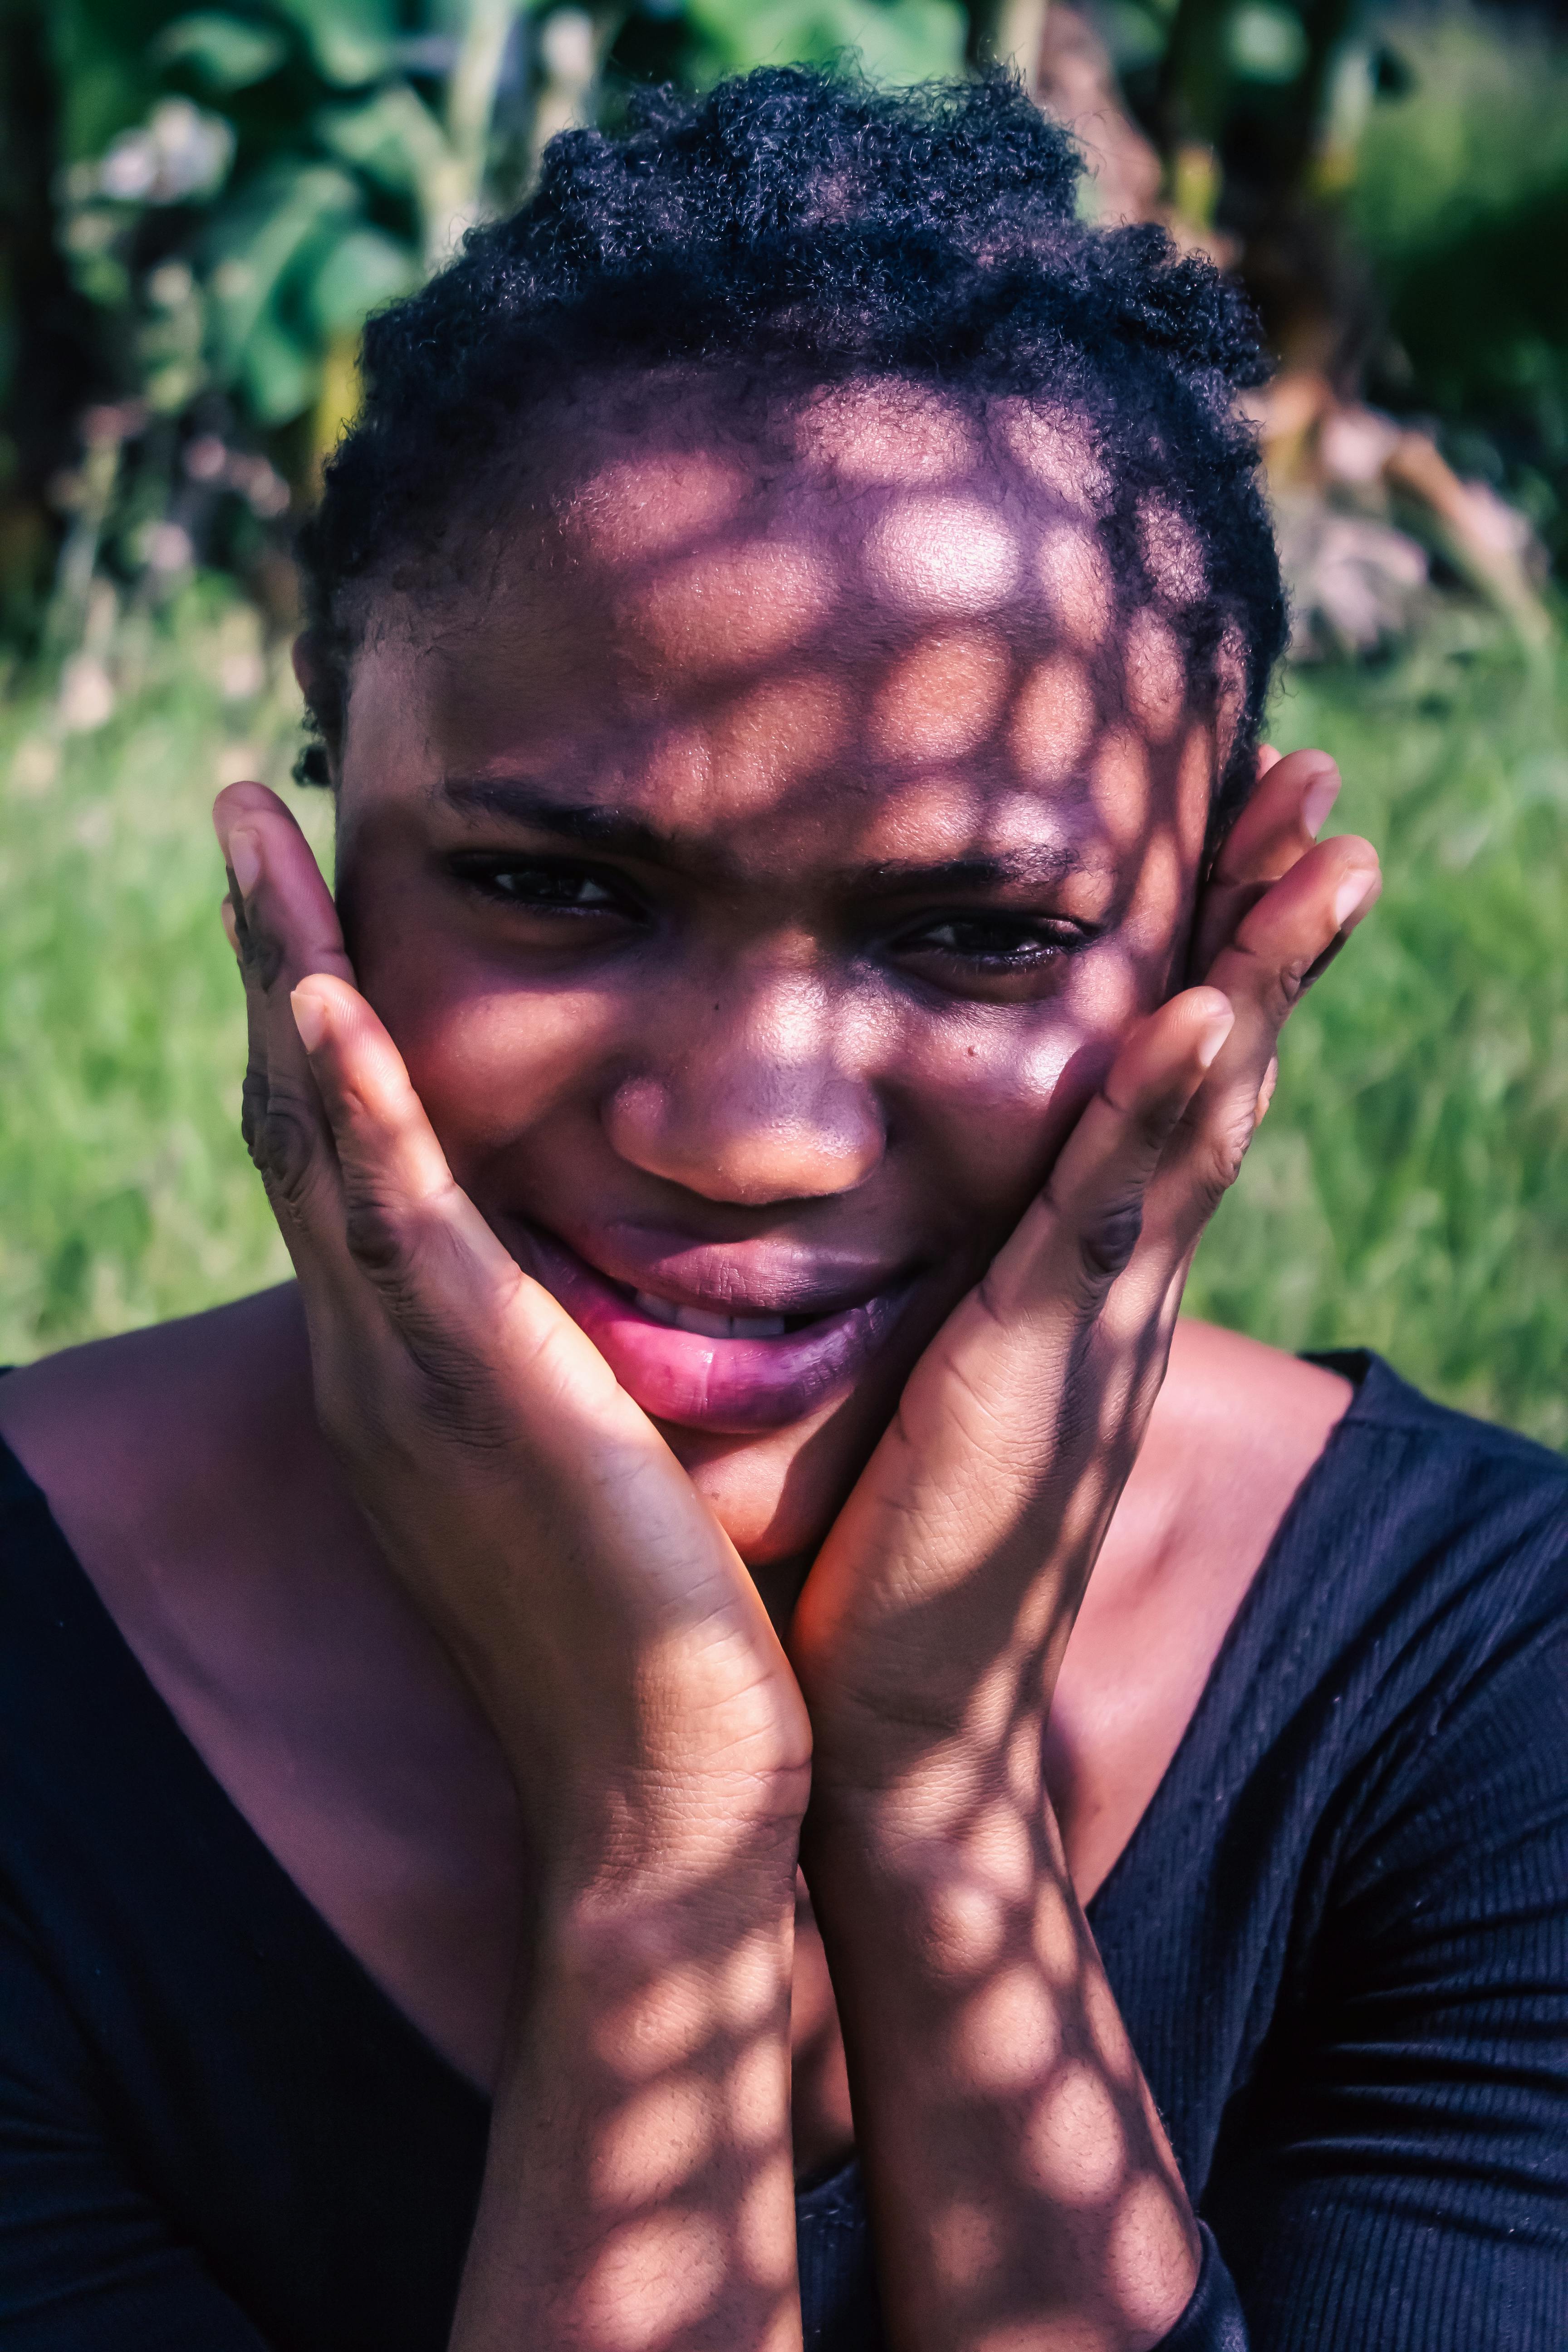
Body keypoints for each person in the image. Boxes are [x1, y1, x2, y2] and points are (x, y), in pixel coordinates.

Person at [1, 67, 1565, 2352]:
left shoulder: (1492, 1680)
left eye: (977, 935)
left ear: (1228, 931)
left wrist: (935, 1813)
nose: (747, 1134)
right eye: (553, 886)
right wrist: (670, 1830)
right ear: (313, 880)